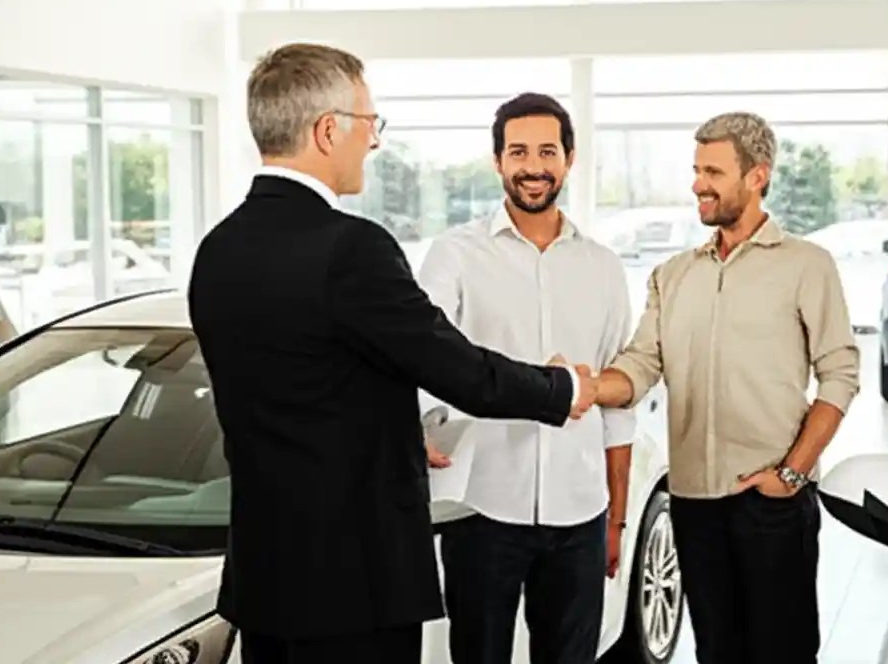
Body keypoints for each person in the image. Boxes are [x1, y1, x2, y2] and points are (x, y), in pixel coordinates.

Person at [187, 44, 599, 664]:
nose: (373, 143)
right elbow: (457, 369)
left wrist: (403, 424)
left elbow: (309, 383)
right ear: (328, 131)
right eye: (367, 124)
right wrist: (562, 389)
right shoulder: (351, 248)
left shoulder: (217, 250)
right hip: (353, 587)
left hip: (267, 580)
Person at [594, 112, 860, 663]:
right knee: (716, 652)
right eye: (695, 170)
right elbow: (641, 365)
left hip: (772, 503)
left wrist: (791, 473)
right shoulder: (673, 275)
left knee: (781, 654)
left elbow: (840, 373)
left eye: (713, 171)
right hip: (693, 504)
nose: (698, 184)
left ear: (757, 176)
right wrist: (580, 387)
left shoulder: (806, 266)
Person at [416, 92, 635, 664]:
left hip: (581, 511)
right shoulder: (455, 255)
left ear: (568, 158)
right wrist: (412, 426)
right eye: (518, 152)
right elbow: (418, 359)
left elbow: (618, 396)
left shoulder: (603, 267)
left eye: (546, 151)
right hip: (483, 508)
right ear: (497, 161)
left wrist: (616, 517)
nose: (532, 166)